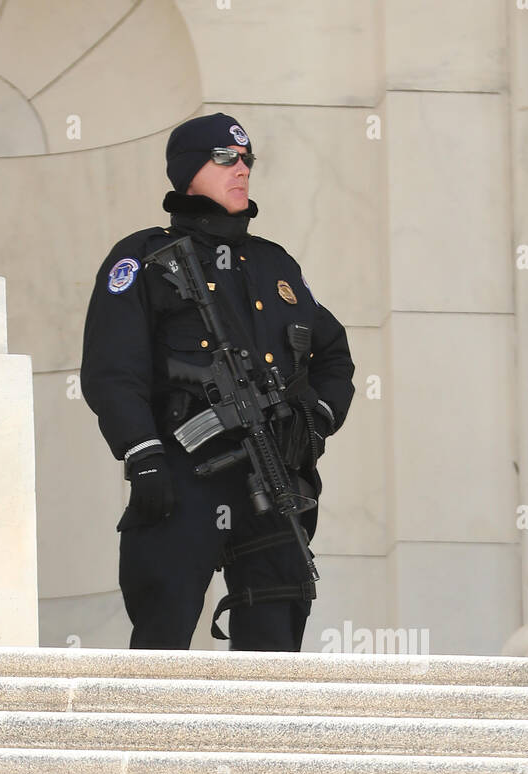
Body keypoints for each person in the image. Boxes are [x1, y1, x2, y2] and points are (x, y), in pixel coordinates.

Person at [80, 112, 355, 651]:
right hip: (185, 469)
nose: (242, 169)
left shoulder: (274, 264)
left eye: (248, 159)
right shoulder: (143, 257)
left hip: (273, 472)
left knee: (277, 626)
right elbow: (113, 368)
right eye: (226, 158)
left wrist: (317, 419)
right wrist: (142, 451)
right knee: (165, 619)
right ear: (187, 171)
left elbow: (334, 354)